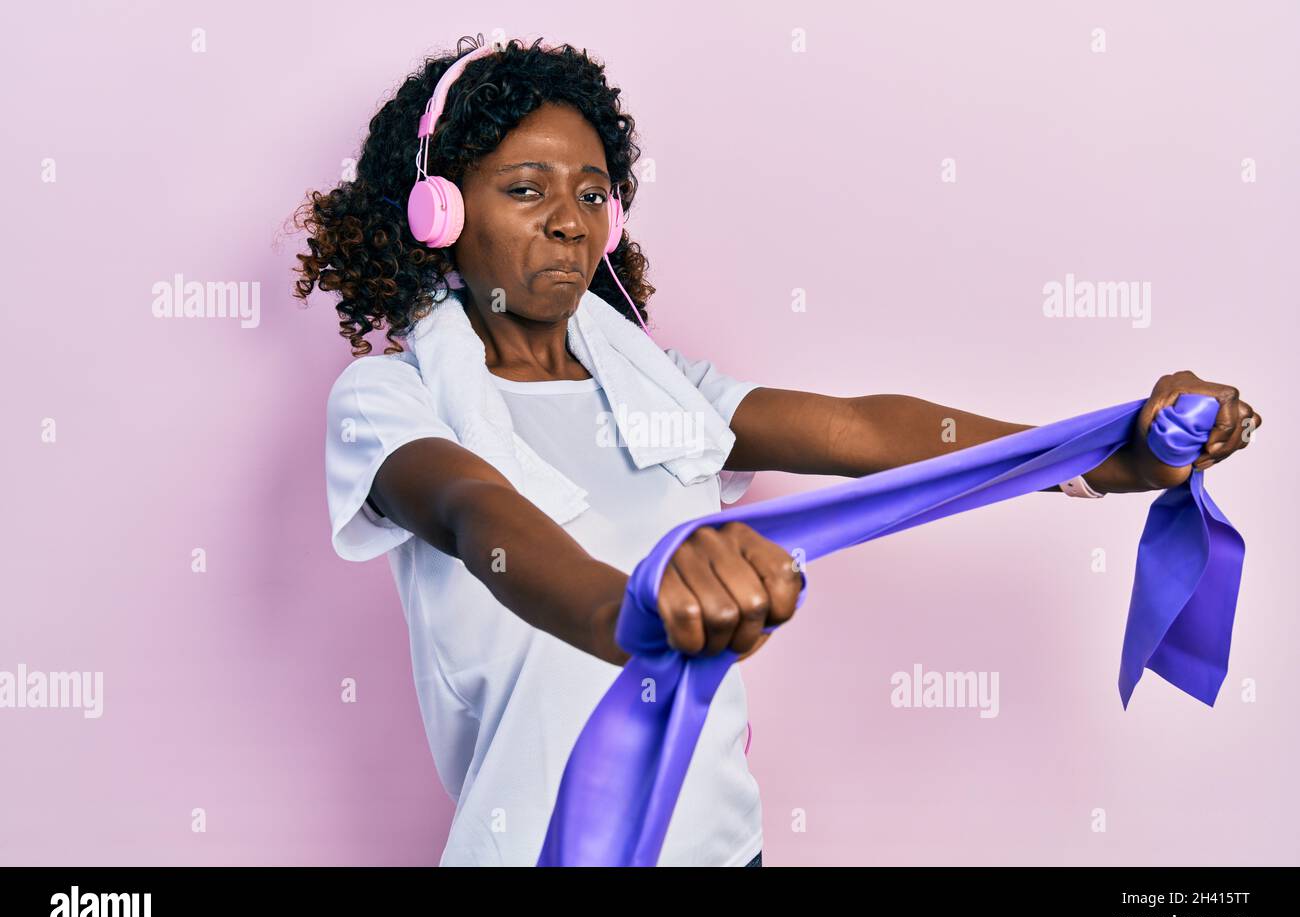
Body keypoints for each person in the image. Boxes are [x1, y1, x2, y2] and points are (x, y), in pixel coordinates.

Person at [291, 35, 1261, 867]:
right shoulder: (391, 398)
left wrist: (1108, 452)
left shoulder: (661, 394)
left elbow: (863, 428)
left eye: (592, 192)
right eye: (524, 188)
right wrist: (632, 604)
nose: (567, 218)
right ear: (439, 215)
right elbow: (473, 509)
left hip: (719, 849)